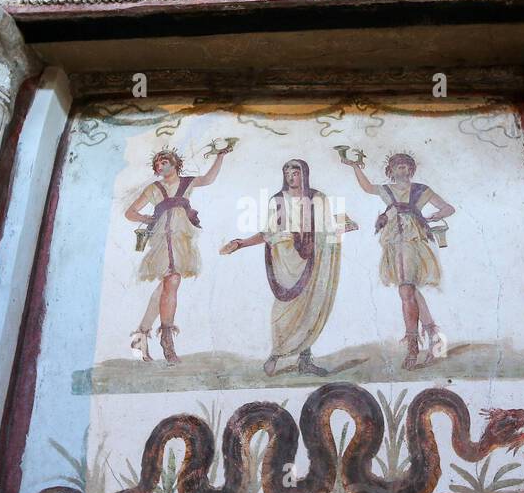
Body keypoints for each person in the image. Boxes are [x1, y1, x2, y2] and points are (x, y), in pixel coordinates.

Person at [221, 158, 356, 376]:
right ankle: (276, 354)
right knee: (283, 311)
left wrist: (343, 225)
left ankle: (305, 361)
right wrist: (242, 243)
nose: (291, 177)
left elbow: (326, 228)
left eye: (295, 173)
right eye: (288, 174)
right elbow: (268, 233)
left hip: (313, 258)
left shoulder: (318, 198)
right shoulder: (278, 200)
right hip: (286, 261)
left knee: (310, 308)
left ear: (305, 174)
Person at [344, 151, 454, 370]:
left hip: (412, 242)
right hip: (394, 243)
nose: (402, 170)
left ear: (411, 169)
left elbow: (448, 208)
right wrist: (355, 166)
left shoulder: (421, 190)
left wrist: (435, 216)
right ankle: (434, 336)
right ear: (391, 170)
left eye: (406, 166)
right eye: (398, 167)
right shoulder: (388, 190)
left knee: (405, 291)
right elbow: (367, 187)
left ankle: (413, 345)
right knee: (410, 290)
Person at [125, 146, 229, 364]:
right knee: (171, 281)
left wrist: (220, 156)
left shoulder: (186, 182)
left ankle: (141, 335)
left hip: (181, 239)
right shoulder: (154, 188)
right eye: (158, 164)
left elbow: (209, 179)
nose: (161, 166)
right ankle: (166, 340)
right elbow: (130, 212)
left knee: (166, 286)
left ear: (174, 163)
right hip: (163, 239)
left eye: (164, 162)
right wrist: (147, 219)